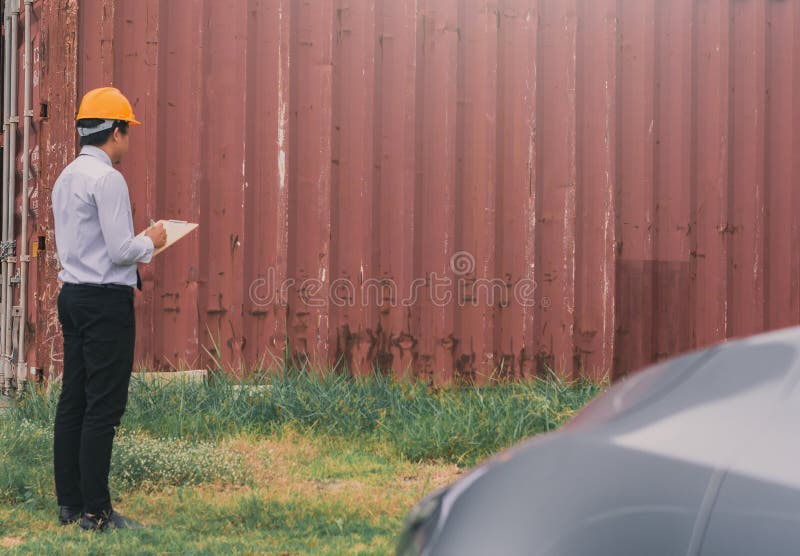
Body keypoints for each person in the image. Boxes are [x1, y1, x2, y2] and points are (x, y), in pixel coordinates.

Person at [51, 87, 167, 531]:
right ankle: (97, 512)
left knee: (73, 402)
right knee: (103, 407)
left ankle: (70, 505)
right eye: (127, 131)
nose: (129, 140)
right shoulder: (109, 179)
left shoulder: (66, 176)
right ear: (115, 131)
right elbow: (121, 250)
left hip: (73, 296)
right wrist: (152, 240)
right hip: (105, 304)